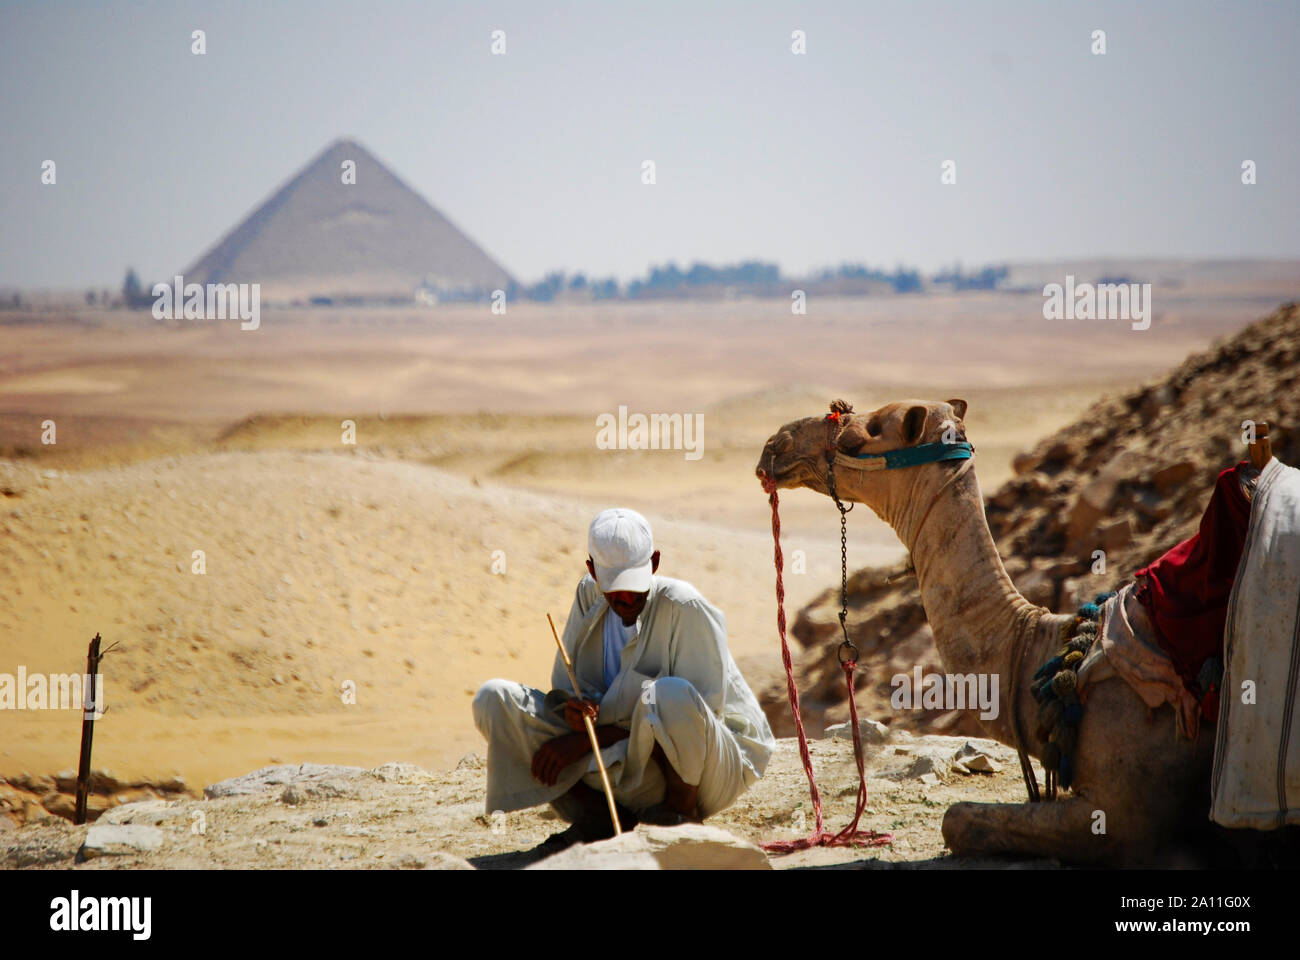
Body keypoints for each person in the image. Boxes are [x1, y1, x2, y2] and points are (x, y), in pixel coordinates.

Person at [472, 507, 776, 851]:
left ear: (655, 563)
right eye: (615, 590)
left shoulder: (685, 607)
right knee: (493, 698)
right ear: (592, 571)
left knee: (670, 694)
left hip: (705, 770)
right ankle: (599, 815)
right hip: (619, 762)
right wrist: (572, 711)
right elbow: (565, 688)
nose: (627, 600)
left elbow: (699, 717)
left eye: (634, 587)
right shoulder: (588, 595)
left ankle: (681, 815)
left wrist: (587, 741)